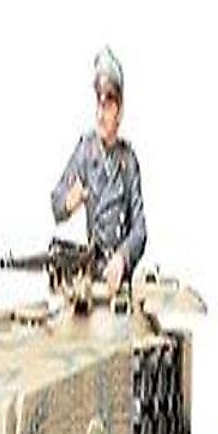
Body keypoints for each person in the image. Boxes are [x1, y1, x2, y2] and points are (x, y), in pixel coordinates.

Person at [51, 47, 147, 294]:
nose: (101, 115)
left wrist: (123, 258)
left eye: (108, 106)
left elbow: (139, 230)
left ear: (120, 112)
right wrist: (68, 203)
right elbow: (56, 202)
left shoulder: (128, 161)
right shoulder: (86, 151)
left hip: (119, 282)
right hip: (90, 279)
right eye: (99, 104)